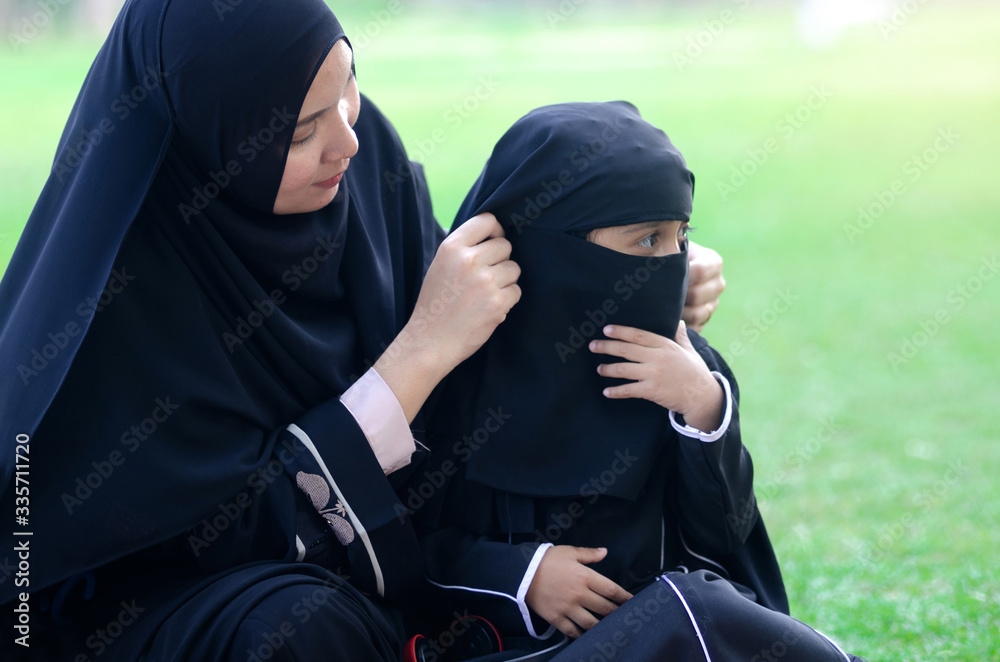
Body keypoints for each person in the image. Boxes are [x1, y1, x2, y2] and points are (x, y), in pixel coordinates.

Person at [0, 3, 726, 661]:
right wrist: (412, 361)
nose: (345, 140)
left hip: (382, 571)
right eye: (300, 128)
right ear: (212, 144)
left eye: (348, 88)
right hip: (177, 609)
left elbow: (489, 315)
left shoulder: (362, 159)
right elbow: (219, 537)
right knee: (298, 624)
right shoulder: (126, 290)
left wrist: (645, 273)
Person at [417, 102, 862, 661]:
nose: (676, 264)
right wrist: (522, 576)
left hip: (667, 637)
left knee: (688, 610)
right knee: (689, 614)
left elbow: (725, 538)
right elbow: (409, 550)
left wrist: (702, 408)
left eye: (682, 237)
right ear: (551, 249)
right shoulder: (453, 376)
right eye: (647, 241)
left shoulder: (687, 369)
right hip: (524, 652)